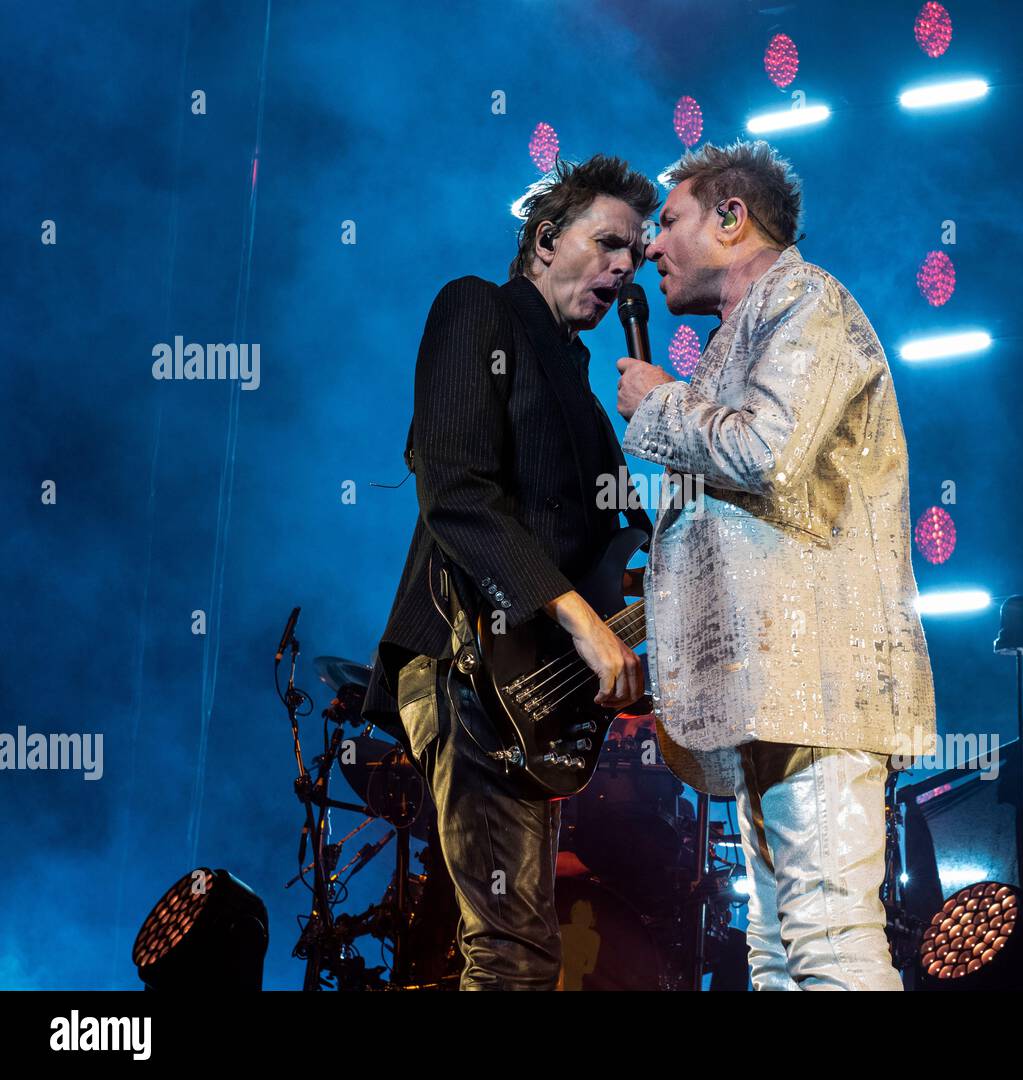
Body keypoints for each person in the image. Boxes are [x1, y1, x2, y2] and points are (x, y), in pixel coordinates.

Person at [615, 140, 937, 990]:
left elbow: (768, 450)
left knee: (829, 939)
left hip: (822, 684)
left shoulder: (807, 299)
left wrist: (658, 402)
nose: (650, 247)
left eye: (668, 221)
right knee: (777, 955)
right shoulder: (734, 339)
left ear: (731, 219)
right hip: (772, 693)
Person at [362, 154, 657, 989]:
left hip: (527, 688)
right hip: (467, 664)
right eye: (608, 243)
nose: (625, 268)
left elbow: (606, 551)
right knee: (513, 947)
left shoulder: (588, 391)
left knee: (520, 945)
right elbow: (454, 490)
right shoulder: (478, 308)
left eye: (634, 254)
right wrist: (583, 622)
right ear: (543, 239)